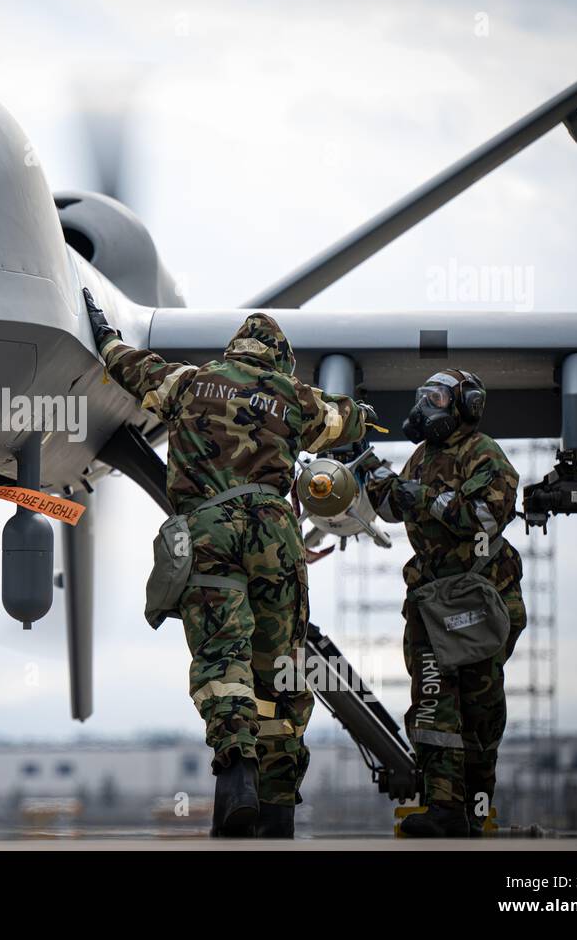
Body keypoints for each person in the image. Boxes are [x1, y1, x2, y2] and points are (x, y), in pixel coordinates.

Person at [85, 302, 376, 837]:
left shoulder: (191, 382)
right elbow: (346, 418)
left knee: (224, 657)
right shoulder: (293, 396)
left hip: (209, 530)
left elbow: (129, 366)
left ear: (235, 349)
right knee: (282, 668)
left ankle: (237, 771)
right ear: (279, 358)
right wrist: (362, 414)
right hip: (275, 532)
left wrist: (102, 332)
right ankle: (279, 808)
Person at [364, 369, 527, 837]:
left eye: (436, 398)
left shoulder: (484, 455)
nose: (426, 407)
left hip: (478, 599)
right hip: (434, 605)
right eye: (424, 398)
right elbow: (394, 508)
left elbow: (484, 518)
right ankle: (443, 810)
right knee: (434, 703)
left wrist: (428, 499)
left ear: (466, 406)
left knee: (480, 707)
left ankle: (475, 809)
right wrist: (367, 468)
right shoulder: (421, 457)